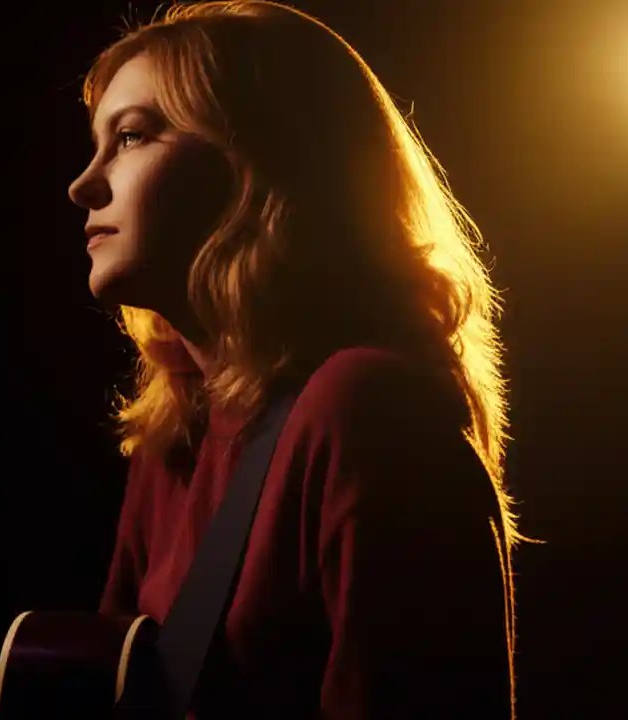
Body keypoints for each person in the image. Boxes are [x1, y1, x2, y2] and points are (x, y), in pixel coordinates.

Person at [66, 2, 533, 718]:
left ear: (263, 163)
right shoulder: (175, 434)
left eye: (131, 137)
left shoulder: (365, 409)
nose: (83, 184)